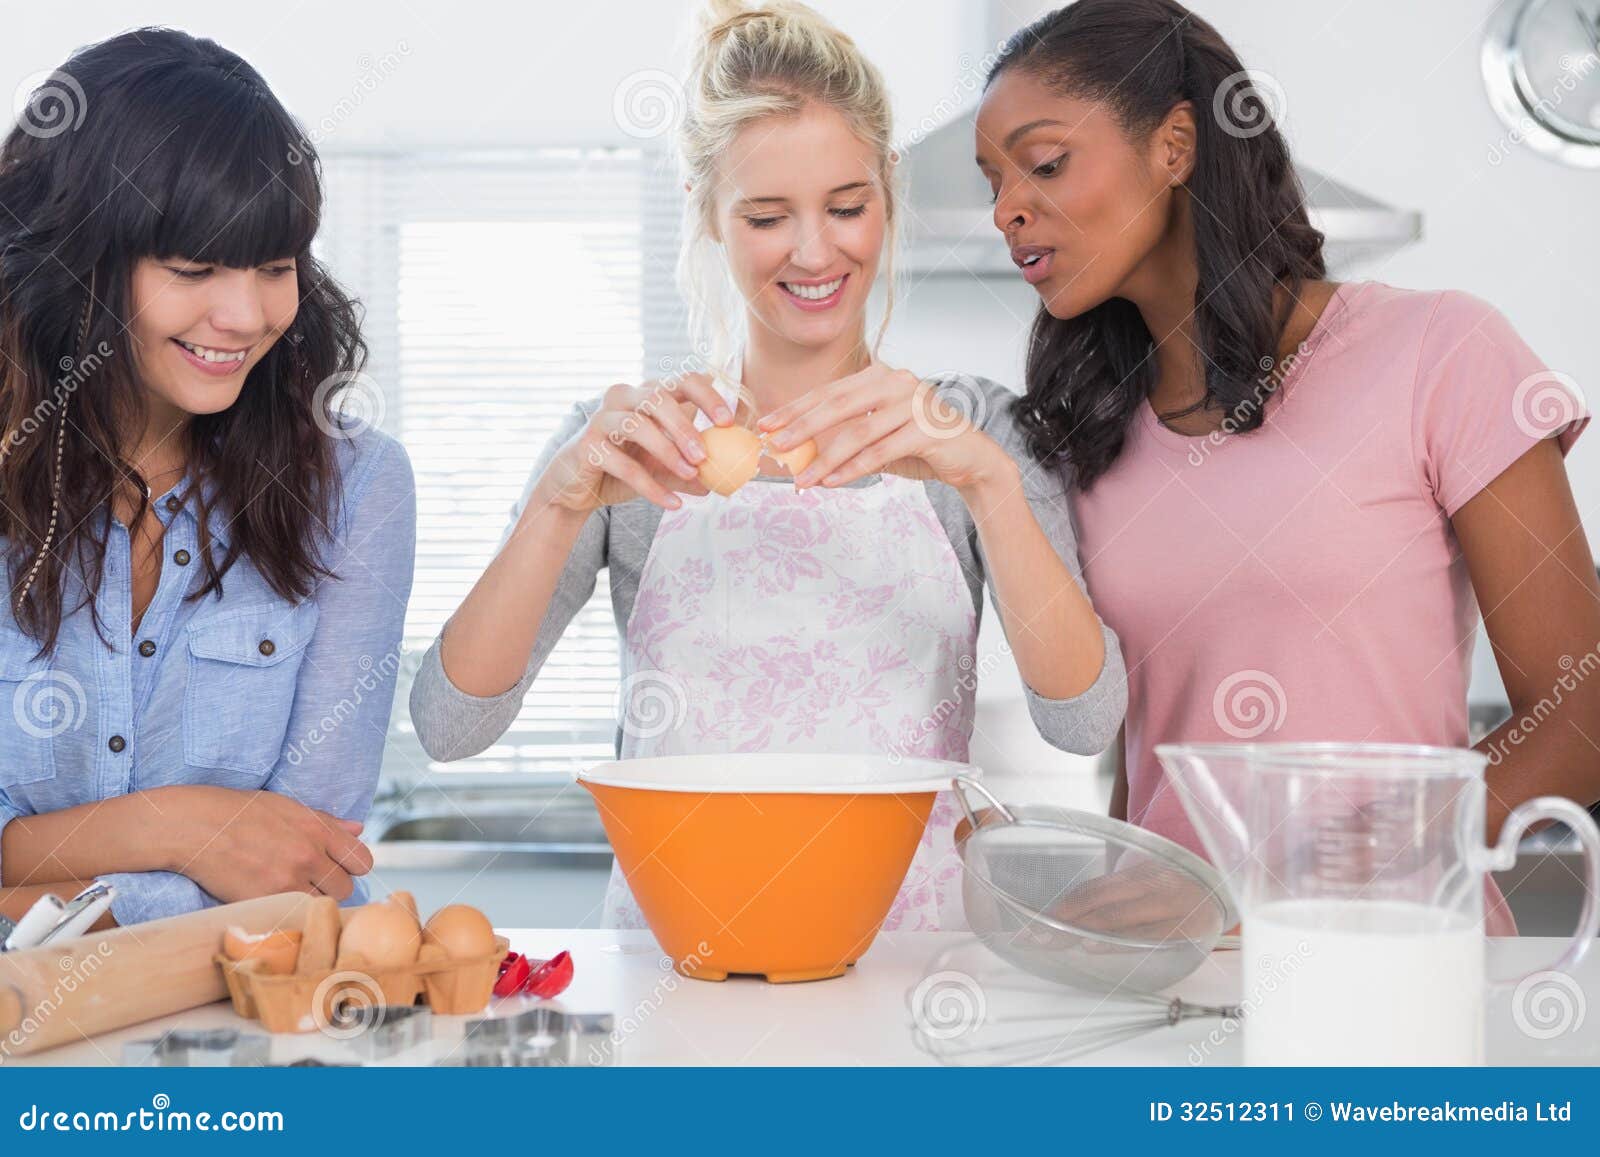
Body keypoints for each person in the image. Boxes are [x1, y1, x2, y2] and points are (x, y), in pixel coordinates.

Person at [412, 0, 1125, 931]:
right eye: (765, 216)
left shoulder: (974, 428)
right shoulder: (635, 442)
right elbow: (449, 727)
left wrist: (987, 481)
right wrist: (556, 507)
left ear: (888, 195)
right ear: (704, 212)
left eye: (846, 206)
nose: (815, 251)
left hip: (904, 970)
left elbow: (1084, 722)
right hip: (678, 971)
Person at [975, 0, 1600, 932]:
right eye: (992, 182)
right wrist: (1103, 917)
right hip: (1174, 982)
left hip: (1391, 971)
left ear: (1176, 143)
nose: (1006, 209)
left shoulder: (1439, 350)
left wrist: (1282, 880)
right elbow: (1148, 764)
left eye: (1046, 162)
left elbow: (1581, 712)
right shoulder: (1089, 438)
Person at [0, 29, 415, 927]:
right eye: (193, 269)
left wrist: (35, 891)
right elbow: (242, 861)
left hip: (257, 1031)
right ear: (78, 265)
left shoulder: (356, 485)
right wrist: (183, 825)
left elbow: (307, 859)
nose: (246, 315)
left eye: (275, 267)